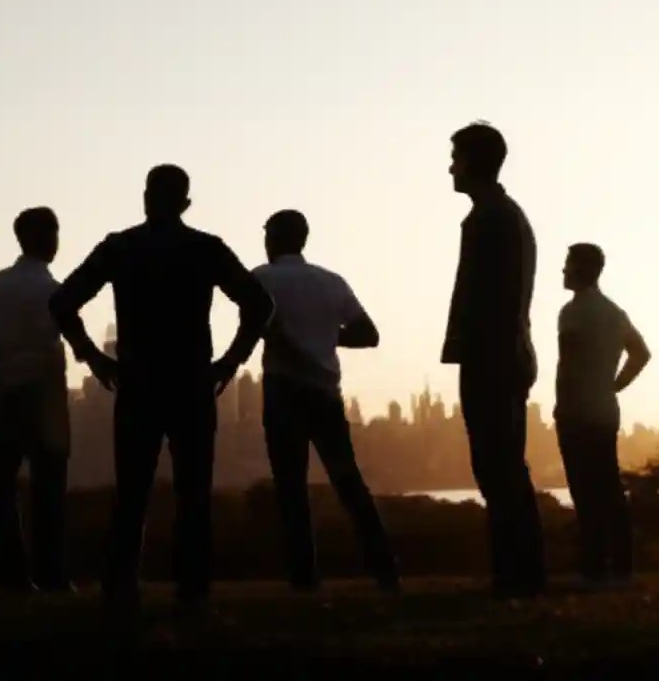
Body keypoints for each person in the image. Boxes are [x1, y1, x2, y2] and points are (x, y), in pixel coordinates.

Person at [48, 164, 274, 612]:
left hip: (138, 382)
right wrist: (231, 361)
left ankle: (121, 584)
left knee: (132, 489)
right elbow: (260, 303)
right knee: (195, 490)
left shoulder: (120, 247)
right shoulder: (206, 249)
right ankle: (193, 587)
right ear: (185, 203)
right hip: (192, 382)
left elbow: (61, 302)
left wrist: (93, 357)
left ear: (146, 196)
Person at [251, 210, 399, 593]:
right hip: (326, 394)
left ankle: (304, 576)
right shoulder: (332, 282)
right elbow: (369, 334)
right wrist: (325, 338)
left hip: (284, 391)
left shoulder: (261, 278)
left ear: (273, 239)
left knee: (291, 486)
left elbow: (257, 327)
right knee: (348, 481)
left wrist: (296, 344)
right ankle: (385, 570)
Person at [441, 121, 546, 598]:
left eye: (456, 158)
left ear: (474, 163)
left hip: (493, 354)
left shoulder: (489, 219)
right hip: (507, 352)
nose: (450, 169)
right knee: (505, 464)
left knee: (496, 465)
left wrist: (469, 347)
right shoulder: (506, 216)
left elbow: (486, 296)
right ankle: (520, 570)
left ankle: (516, 572)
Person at [0, 206, 74, 593]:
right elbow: (56, 336)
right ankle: (51, 574)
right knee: (49, 487)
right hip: (41, 392)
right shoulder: (49, 288)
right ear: (47, 237)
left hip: (1, 390)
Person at [554, 243, 651, 588]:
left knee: (584, 490)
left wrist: (562, 405)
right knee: (609, 489)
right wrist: (615, 385)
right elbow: (641, 353)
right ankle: (622, 566)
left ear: (581, 268)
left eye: (567, 265)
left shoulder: (572, 312)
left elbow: (568, 363)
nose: (563, 271)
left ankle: (594, 567)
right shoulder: (614, 312)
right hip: (606, 411)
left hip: (577, 411)